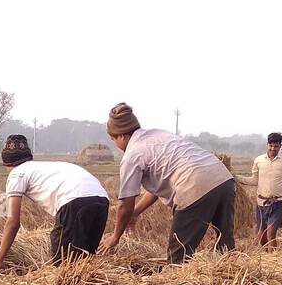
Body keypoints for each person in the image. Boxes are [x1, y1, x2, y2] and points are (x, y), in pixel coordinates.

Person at [99, 102, 236, 264]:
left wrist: (115, 237)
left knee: (178, 257)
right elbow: (155, 189)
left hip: (193, 185)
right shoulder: (158, 134)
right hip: (222, 178)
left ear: (121, 136)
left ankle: (178, 282)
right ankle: (234, 278)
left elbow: (125, 205)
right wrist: (136, 212)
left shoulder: (132, 156)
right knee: (226, 247)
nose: (115, 144)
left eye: (113, 139)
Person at [0, 134, 110, 276]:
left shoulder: (16, 173)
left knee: (64, 267)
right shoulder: (42, 167)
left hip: (75, 200)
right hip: (101, 199)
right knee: (84, 263)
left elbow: (13, 223)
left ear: (7, 164)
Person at [240, 132, 282, 246]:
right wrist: (237, 178)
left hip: (277, 203)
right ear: (267, 145)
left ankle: (273, 259)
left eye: (276, 146)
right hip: (261, 203)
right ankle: (265, 260)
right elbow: (254, 180)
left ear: (280, 146)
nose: (273, 148)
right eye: (271, 145)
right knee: (261, 236)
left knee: (271, 235)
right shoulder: (259, 160)